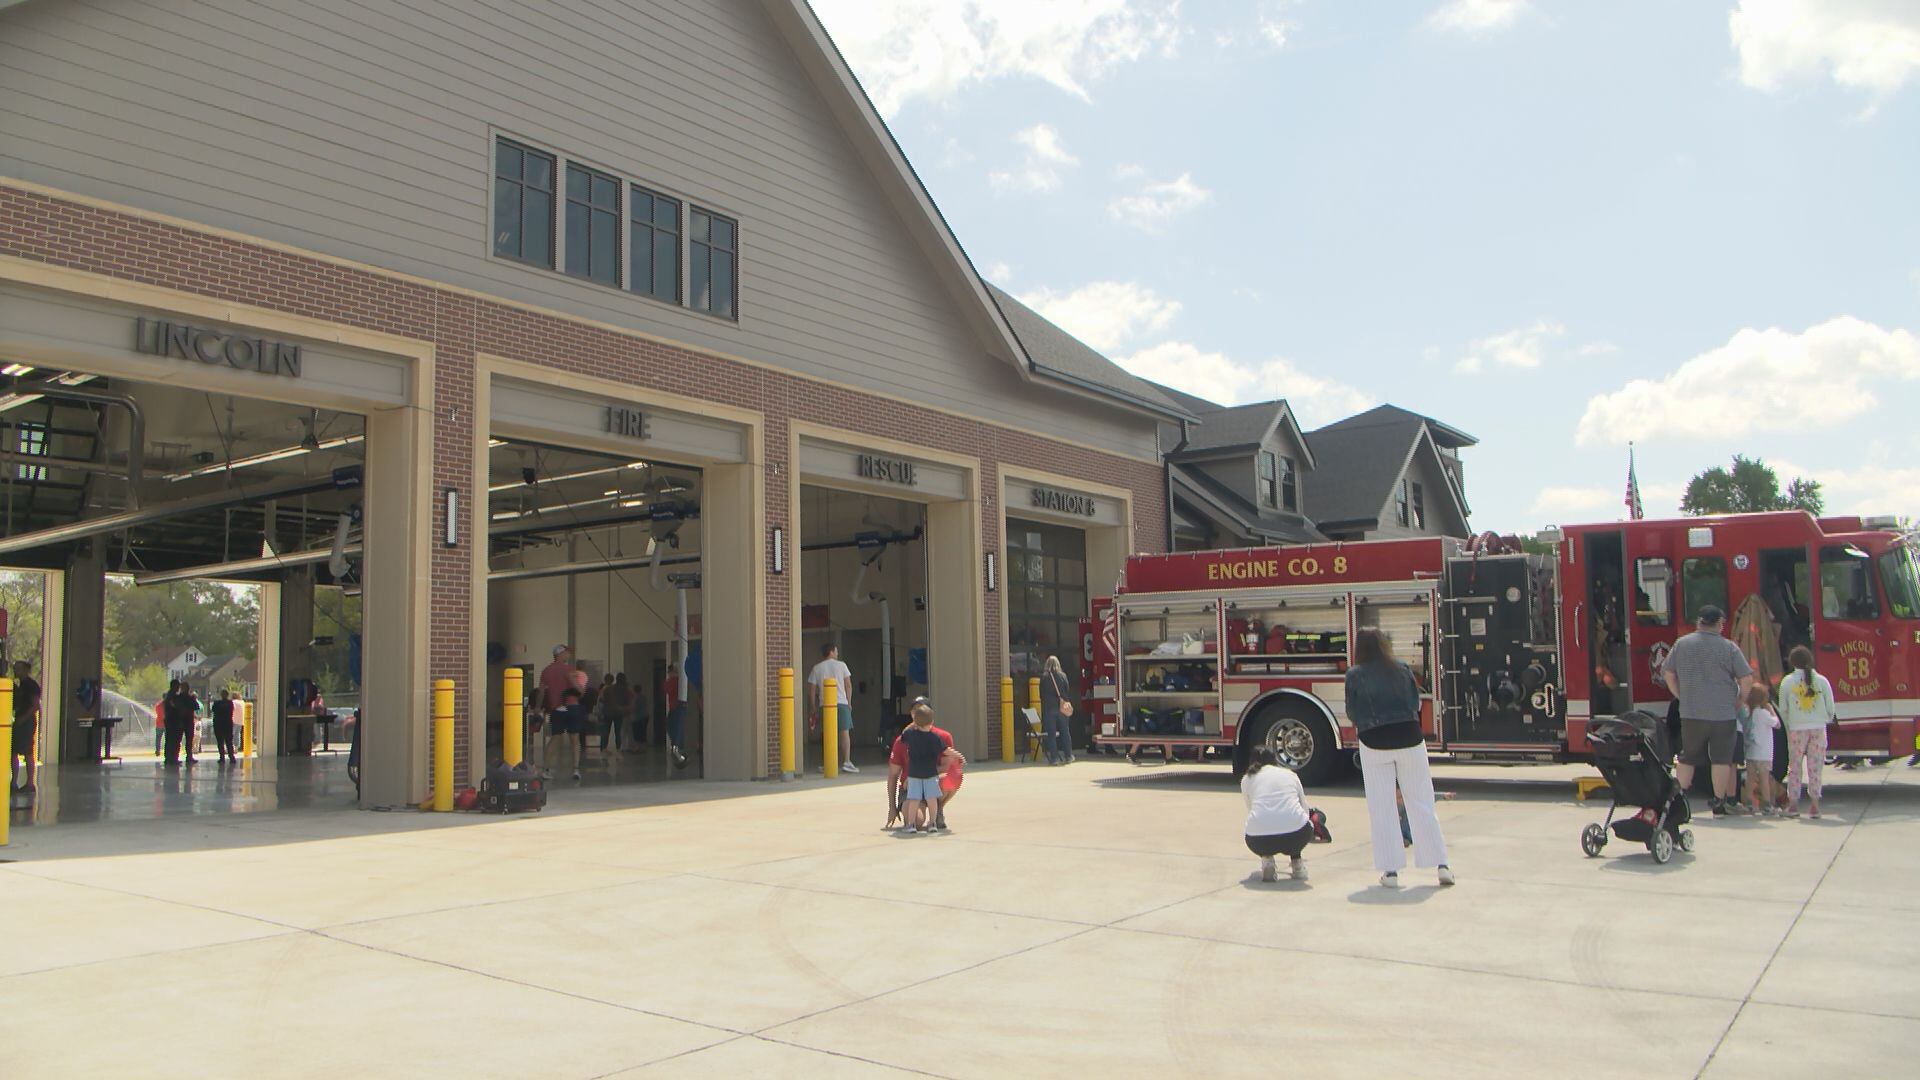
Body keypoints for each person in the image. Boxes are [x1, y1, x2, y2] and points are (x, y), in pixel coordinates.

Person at [1345, 628, 1454, 888]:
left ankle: (1391, 872)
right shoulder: (1402, 669)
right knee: (1422, 802)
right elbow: (1415, 703)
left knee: (1381, 807)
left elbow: (1352, 711)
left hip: (1374, 740)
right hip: (1409, 737)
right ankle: (1442, 867)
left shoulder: (1354, 674)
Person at [1663, 604, 1755, 817]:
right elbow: (1747, 679)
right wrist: (1739, 701)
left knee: (1688, 757)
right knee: (1721, 759)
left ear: (1699, 622)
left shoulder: (1681, 644)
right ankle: (1719, 802)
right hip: (1723, 714)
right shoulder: (1729, 647)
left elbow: (1668, 673)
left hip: (1691, 712)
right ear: (1720, 624)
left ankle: (1678, 800)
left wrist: (1680, 695)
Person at [887, 697, 964, 833]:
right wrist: (892, 807)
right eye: (914, 711)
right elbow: (893, 775)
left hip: (930, 779)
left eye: (921, 711)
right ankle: (912, 822)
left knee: (953, 776)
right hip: (910, 786)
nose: (917, 714)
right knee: (917, 820)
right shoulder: (904, 739)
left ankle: (937, 814)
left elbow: (949, 765)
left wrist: (925, 773)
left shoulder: (941, 737)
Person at [1779, 644, 1836, 819]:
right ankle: (1815, 806)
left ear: (1791, 662)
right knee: (1815, 767)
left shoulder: (1788, 682)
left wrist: (1790, 723)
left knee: (1794, 767)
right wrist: (1825, 718)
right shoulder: (1822, 680)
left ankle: (1794, 804)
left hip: (1797, 728)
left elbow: (1783, 708)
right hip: (1818, 727)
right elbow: (1830, 707)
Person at [1242, 746, 1314, 883]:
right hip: (1297, 836)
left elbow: (1251, 809)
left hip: (1258, 840)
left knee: (1262, 823)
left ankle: (1267, 861)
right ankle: (1297, 864)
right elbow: (1304, 807)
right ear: (1275, 759)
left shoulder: (1247, 779)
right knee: (1296, 822)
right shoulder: (1290, 774)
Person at [895, 702, 950, 834]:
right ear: (932, 721)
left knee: (914, 798)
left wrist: (913, 724)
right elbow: (944, 750)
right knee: (932, 799)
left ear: (915, 721)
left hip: (914, 775)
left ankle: (911, 824)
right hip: (930, 774)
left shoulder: (911, 735)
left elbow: (904, 734)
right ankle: (932, 823)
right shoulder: (936, 737)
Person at [807, 642, 856, 774]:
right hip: (841, 702)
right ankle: (846, 761)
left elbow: (811, 689)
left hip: (825, 705)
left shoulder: (817, 668)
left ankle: (828, 762)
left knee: (828, 734)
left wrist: (813, 706)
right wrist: (849, 702)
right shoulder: (842, 665)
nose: (837, 653)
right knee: (844, 732)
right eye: (836, 650)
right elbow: (848, 685)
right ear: (832, 651)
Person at [1739, 684, 1780, 816]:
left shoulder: (1747, 714)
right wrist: (1771, 709)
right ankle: (1767, 805)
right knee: (1764, 779)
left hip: (1751, 752)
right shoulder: (1763, 714)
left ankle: (1749, 803)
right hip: (1764, 754)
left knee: (1750, 779)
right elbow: (1777, 724)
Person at [10, 659, 41, 792]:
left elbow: (35, 705)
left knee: (27, 751)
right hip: (19, 719)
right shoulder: (20, 685)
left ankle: (29, 783)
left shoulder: (31, 685)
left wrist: (23, 718)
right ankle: (14, 782)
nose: (16, 671)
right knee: (14, 751)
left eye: (19, 668)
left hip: (26, 721)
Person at [1038, 655, 1075, 766]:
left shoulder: (1044, 677)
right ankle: (1068, 756)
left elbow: (1041, 694)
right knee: (1065, 732)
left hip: (1049, 709)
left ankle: (1054, 759)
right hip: (1062, 707)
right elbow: (1067, 690)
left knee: (1051, 734)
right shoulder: (1063, 676)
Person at [546, 686, 587, 781]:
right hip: (574, 708)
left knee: (555, 738)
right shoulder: (572, 673)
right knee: (575, 740)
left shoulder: (549, 673)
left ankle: (546, 769)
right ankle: (576, 770)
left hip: (558, 708)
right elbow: (581, 691)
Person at [663, 661, 689, 769]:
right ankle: (679, 748)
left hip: (677, 708)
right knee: (673, 727)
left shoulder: (675, 681)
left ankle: (678, 750)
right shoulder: (677, 681)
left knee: (676, 729)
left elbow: (665, 688)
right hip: (675, 708)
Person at [539, 644, 574, 717]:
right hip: (569, 709)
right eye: (567, 652)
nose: (569, 655)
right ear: (561, 654)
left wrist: (537, 707)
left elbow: (541, 692)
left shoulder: (546, 670)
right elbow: (575, 690)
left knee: (557, 728)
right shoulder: (569, 670)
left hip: (554, 710)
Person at [600, 673, 629, 754]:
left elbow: (602, 700)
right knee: (618, 732)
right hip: (618, 712)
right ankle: (618, 749)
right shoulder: (625, 689)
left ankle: (604, 748)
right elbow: (626, 701)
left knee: (606, 731)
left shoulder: (609, 688)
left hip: (608, 712)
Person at [210, 688, 238, 764]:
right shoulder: (230, 703)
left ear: (221, 695)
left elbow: (213, 710)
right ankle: (231, 757)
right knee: (229, 741)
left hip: (219, 724)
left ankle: (222, 757)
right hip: (228, 724)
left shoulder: (217, 703)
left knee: (220, 742)